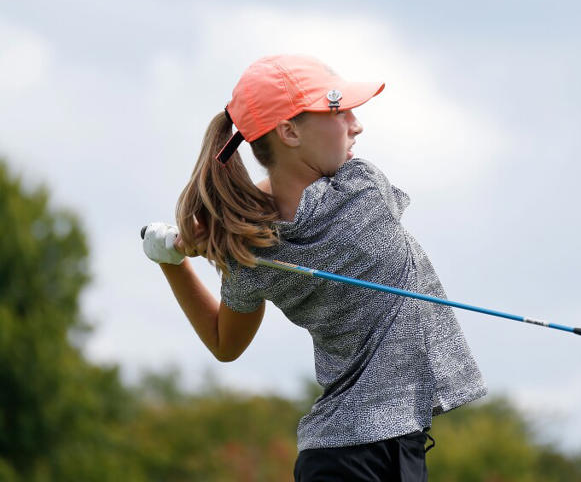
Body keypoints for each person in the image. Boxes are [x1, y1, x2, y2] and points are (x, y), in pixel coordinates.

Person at [142, 54, 487, 481]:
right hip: (365, 453)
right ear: (288, 131)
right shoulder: (364, 189)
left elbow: (223, 343)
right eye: (337, 111)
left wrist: (174, 258)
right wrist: (221, 228)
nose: (355, 124)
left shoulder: (250, 254)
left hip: (345, 453)